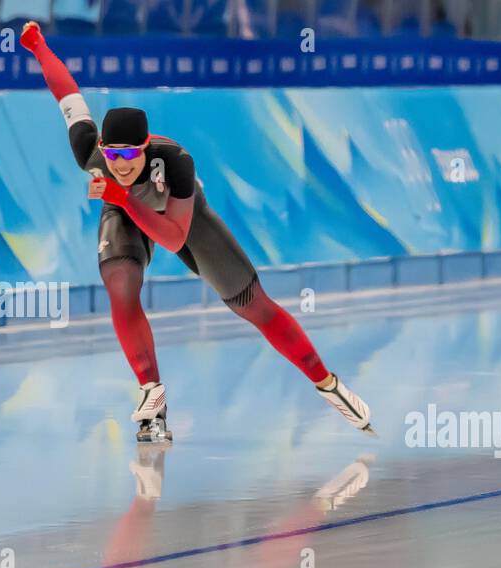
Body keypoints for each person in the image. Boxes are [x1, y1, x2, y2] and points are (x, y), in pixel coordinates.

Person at [18, 21, 373, 442]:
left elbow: (173, 237)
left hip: (183, 219)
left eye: (130, 153)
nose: (121, 163)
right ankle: (152, 391)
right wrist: (38, 45)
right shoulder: (93, 156)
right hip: (123, 209)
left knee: (254, 305)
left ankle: (328, 384)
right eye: (113, 154)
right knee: (119, 281)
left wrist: (125, 195)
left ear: (146, 147)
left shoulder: (175, 163)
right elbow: (68, 95)